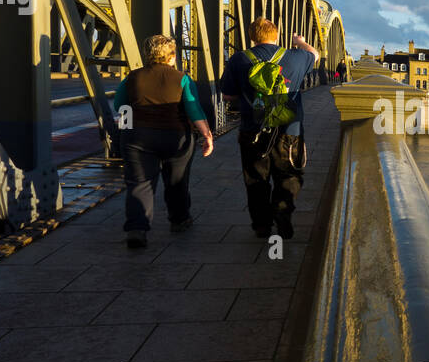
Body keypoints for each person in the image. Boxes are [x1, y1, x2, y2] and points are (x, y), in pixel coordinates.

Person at [113, 35, 214, 248]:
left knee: (139, 183)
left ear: (147, 55)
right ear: (172, 56)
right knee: (177, 181)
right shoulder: (182, 78)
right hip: (175, 137)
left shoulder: (132, 78)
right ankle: (179, 220)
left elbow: (120, 105)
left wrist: (128, 128)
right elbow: (193, 109)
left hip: (137, 138)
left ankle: (137, 229)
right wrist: (206, 135)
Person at [221, 18, 318, 239]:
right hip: (289, 131)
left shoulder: (239, 59)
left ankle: (262, 226)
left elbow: (227, 95)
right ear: (276, 35)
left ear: (251, 36)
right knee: (289, 175)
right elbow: (316, 54)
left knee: (256, 178)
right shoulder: (295, 56)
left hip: (252, 130)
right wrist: (299, 42)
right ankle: (283, 213)